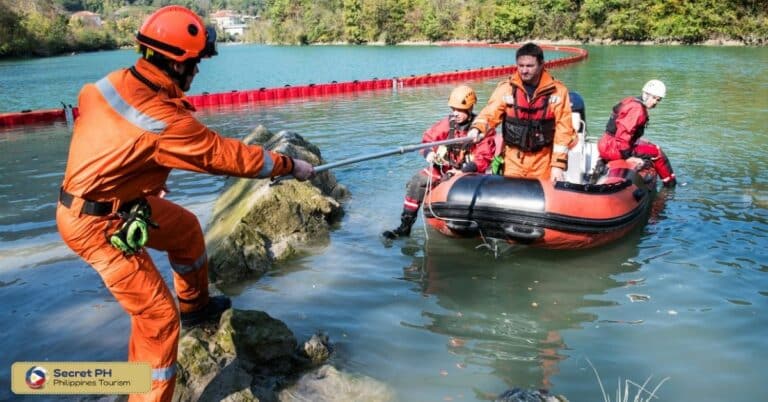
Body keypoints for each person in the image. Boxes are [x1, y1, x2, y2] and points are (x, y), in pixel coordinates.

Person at [55, 6, 314, 401]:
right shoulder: (164, 120)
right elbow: (225, 156)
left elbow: (102, 127)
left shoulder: (114, 83)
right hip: (96, 224)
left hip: (118, 202)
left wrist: (138, 179)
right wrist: (289, 165)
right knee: (158, 318)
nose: (197, 71)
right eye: (196, 62)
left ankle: (195, 308)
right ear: (178, 64)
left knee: (186, 230)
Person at [382, 85, 494, 239]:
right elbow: (427, 140)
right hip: (445, 169)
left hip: (470, 173)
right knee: (417, 182)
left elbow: (484, 157)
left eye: (460, 110)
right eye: (453, 109)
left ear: (470, 108)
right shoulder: (447, 124)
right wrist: (429, 153)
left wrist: (463, 171)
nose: (455, 113)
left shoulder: (480, 129)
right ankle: (404, 227)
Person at [467, 42, 575, 181]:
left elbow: (564, 130)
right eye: (521, 66)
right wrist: (477, 128)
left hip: (542, 162)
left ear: (541, 65)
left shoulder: (558, 92)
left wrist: (557, 166)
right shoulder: (506, 89)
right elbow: (490, 113)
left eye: (529, 66)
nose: (524, 71)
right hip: (513, 160)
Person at [597, 79, 677, 186]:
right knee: (657, 152)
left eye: (658, 100)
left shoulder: (631, 101)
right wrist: (628, 157)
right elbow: (623, 136)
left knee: (646, 144)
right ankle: (670, 185)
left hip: (606, 143)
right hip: (613, 148)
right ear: (645, 94)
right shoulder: (636, 109)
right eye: (654, 98)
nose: (655, 102)